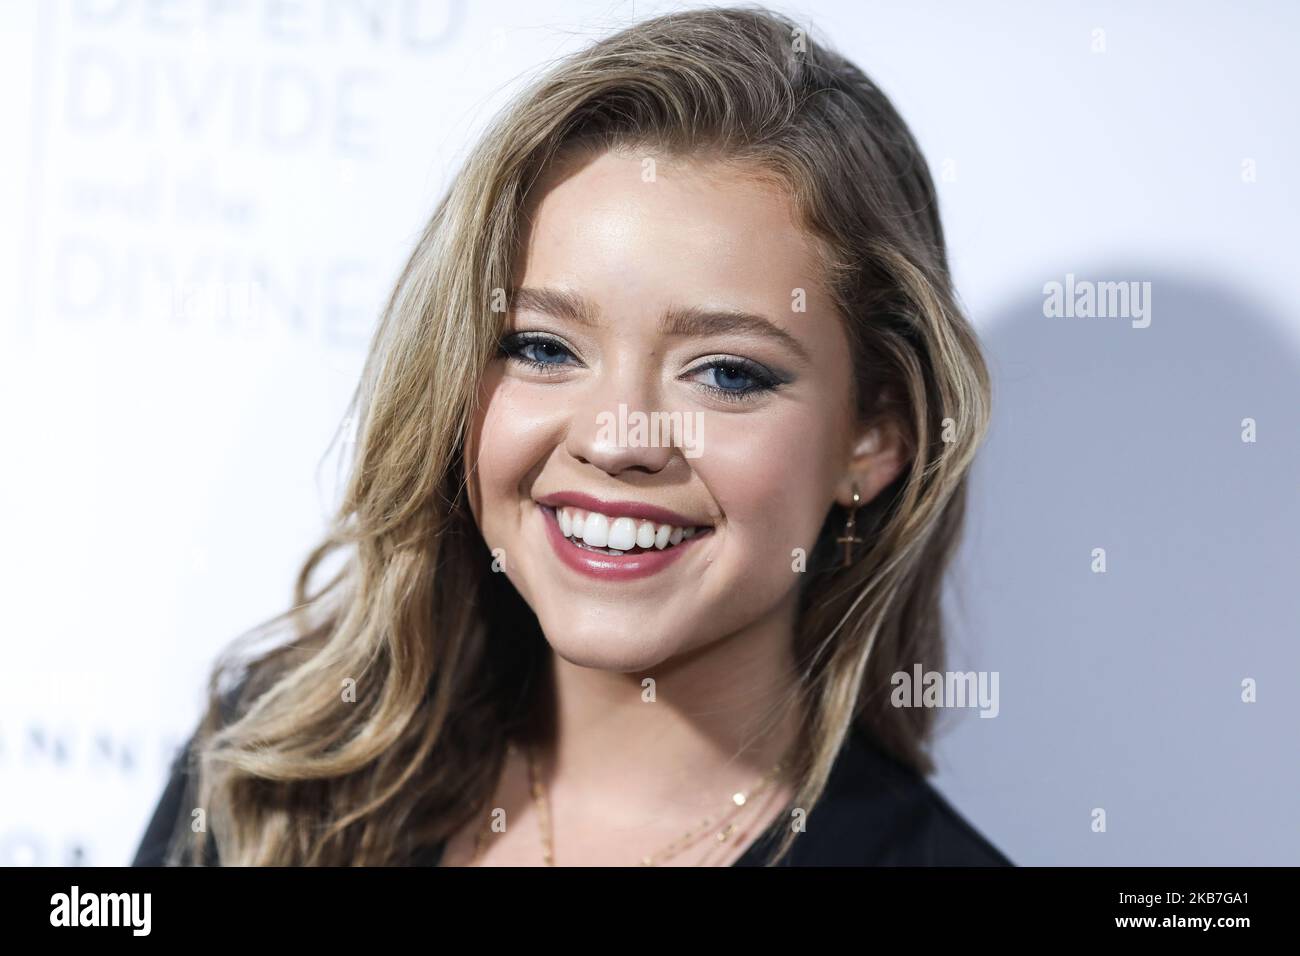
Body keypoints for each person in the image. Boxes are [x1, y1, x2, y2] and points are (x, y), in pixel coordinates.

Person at [133, 5, 1007, 867]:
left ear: (876, 436)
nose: (618, 438)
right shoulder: (269, 777)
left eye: (727, 372)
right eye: (542, 347)